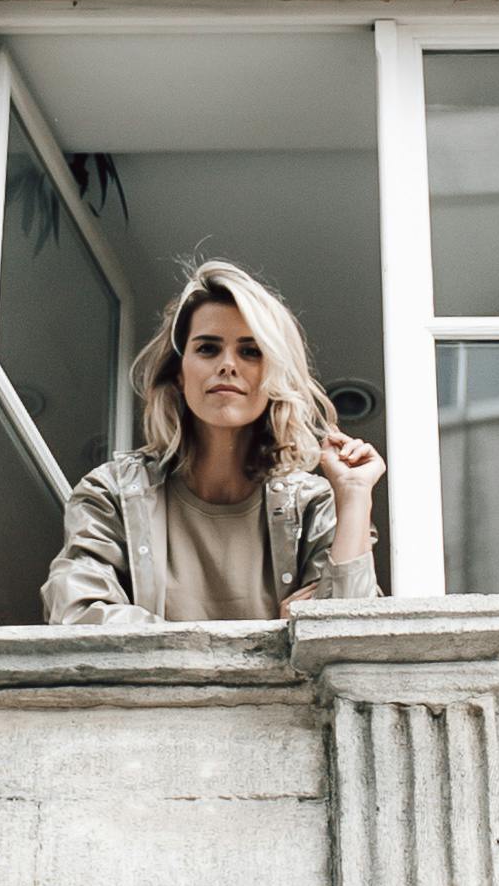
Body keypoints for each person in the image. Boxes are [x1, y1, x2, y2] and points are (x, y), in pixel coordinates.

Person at [42, 258, 384, 625]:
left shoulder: (313, 504)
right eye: (208, 348)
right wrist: (272, 636)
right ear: (177, 373)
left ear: (275, 374)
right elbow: (77, 616)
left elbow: (348, 634)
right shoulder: (112, 493)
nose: (228, 365)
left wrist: (353, 496)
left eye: (250, 351)